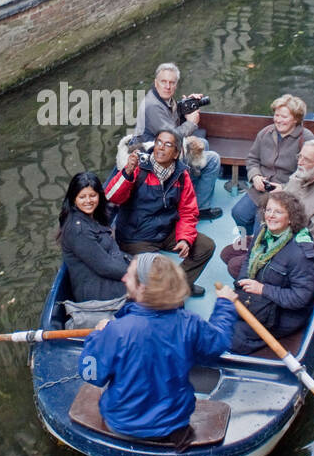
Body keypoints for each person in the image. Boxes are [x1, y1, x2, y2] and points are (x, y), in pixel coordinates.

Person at [79, 253, 239, 442]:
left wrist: (96, 337)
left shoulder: (116, 331)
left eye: (129, 276)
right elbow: (217, 342)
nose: (123, 278)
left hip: (122, 425)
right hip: (173, 426)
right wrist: (225, 305)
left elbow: (91, 375)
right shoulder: (190, 323)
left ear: (143, 287)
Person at [105, 129, 216, 296]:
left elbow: (188, 211)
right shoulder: (138, 168)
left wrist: (185, 239)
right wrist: (127, 171)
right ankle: (172, 291)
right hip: (136, 236)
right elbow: (111, 196)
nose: (160, 148)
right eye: (158, 142)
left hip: (164, 231)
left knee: (205, 246)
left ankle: (180, 285)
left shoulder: (181, 175)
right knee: (159, 270)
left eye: (168, 145)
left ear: (176, 153)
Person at [223, 191, 314, 355]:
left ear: (291, 218)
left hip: (283, 314)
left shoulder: (300, 253)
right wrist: (243, 283)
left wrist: (262, 289)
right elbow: (248, 259)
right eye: (268, 210)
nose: (271, 216)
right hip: (259, 300)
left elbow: (301, 298)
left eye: (278, 212)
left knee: (231, 339)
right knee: (221, 317)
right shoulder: (263, 232)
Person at [132, 62, 222, 219]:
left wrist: (186, 106)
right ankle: (199, 210)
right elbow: (170, 138)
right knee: (213, 159)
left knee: (204, 144)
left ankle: (190, 187)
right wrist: (191, 123)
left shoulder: (164, 99)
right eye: (163, 82)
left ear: (176, 84)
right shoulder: (152, 106)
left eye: (172, 82)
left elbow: (170, 118)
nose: (167, 86)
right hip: (154, 160)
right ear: (156, 82)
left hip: (161, 149)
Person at [232, 94, 310, 235]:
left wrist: (285, 188)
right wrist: (255, 176)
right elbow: (252, 159)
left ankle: (259, 246)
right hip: (262, 189)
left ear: (296, 119)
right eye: (276, 115)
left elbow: (308, 174)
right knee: (238, 213)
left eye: (284, 117)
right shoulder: (266, 133)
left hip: (287, 193)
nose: (278, 120)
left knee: (261, 222)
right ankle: (251, 240)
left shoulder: (306, 139)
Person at [58, 172, 131, 303]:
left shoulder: (93, 217)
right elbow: (105, 267)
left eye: (92, 196)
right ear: (74, 198)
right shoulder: (78, 230)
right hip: (97, 292)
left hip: (108, 274)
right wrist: (135, 274)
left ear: (99, 196)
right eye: (82, 197)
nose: (88, 201)